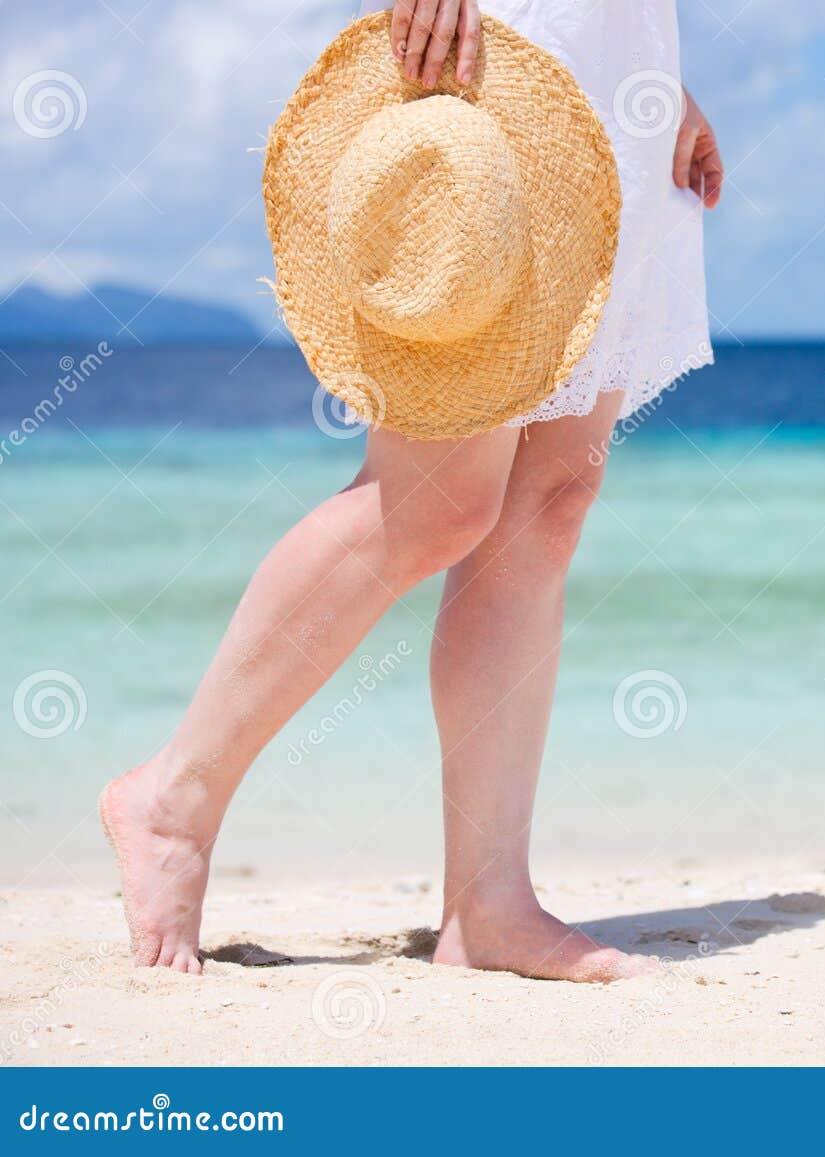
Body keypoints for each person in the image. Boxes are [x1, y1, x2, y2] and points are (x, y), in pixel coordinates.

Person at [99, 0, 720, 982]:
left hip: (613, 66)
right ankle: (172, 799)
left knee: (547, 508)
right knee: (433, 500)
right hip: (494, 38)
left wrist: (654, 76)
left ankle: (488, 905)